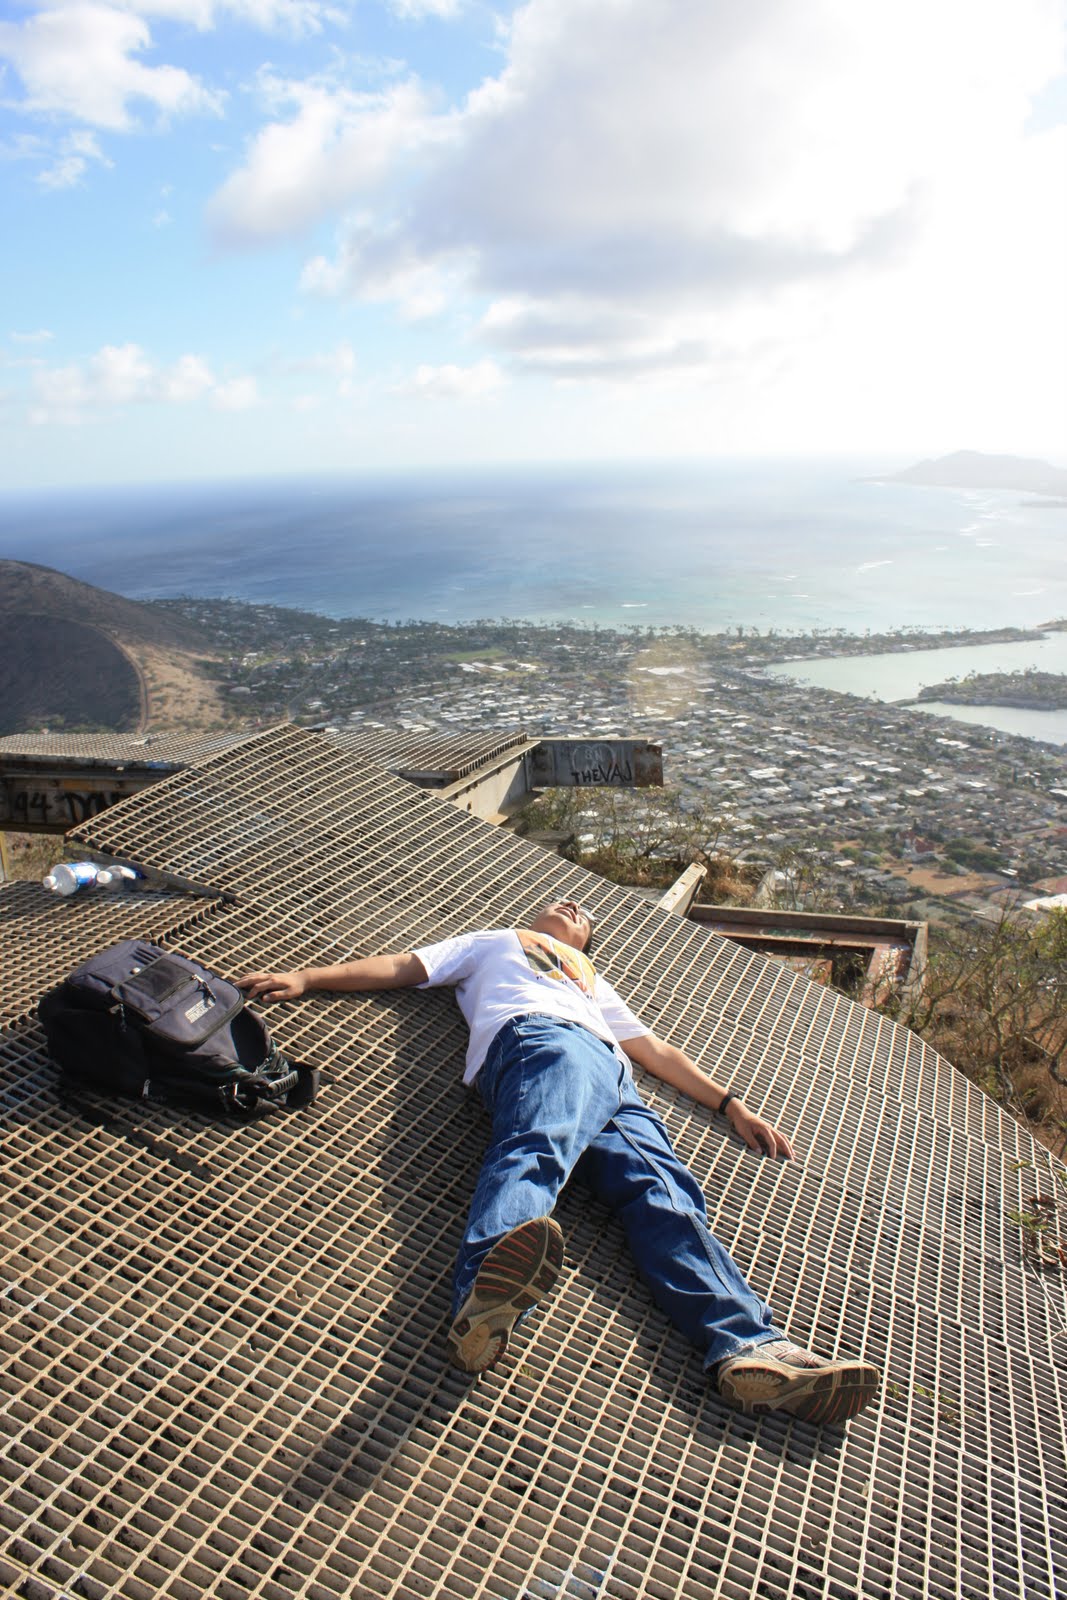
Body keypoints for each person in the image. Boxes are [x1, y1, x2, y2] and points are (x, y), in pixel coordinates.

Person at [239, 899, 880, 1425]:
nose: (573, 906)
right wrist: (307, 978)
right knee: (537, 1143)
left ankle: (747, 1347)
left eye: (584, 915)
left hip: (617, 1082)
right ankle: (482, 1292)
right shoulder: (497, 940)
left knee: (670, 1202)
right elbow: (407, 966)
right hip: (540, 1038)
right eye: (563, 906)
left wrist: (730, 1103)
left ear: (588, 941)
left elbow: (651, 1048)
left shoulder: (591, 978)